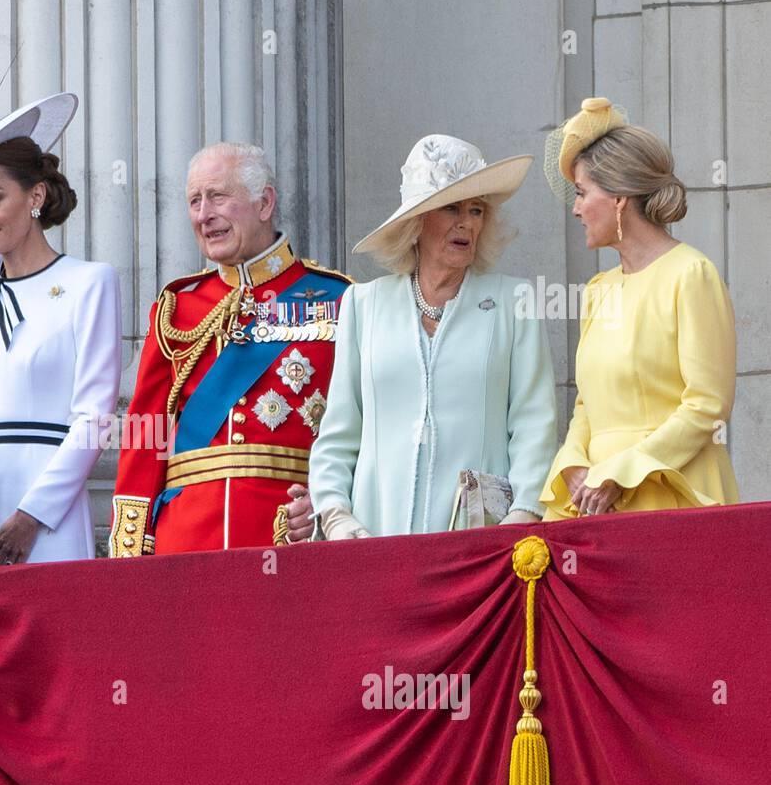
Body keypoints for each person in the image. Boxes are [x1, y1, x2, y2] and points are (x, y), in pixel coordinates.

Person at [304, 135, 556, 540]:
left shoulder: (514, 301)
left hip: (481, 544)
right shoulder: (363, 304)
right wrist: (336, 516)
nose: (467, 222)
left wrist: (523, 516)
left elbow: (534, 423)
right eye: (451, 207)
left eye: (476, 210)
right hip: (374, 539)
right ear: (417, 221)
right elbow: (339, 431)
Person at [110, 142, 352, 556]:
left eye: (218, 196)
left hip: (289, 536)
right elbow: (144, 436)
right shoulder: (175, 309)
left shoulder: (340, 300)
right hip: (184, 542)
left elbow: (366, 430)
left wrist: (331, 504)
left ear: (265, 203)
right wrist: (130, 553)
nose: (204, 215)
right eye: (194, 201)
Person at [0, 92, 120, 564]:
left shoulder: (89, 282)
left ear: (35, 197)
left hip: (50, 512)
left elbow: (94, 419)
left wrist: (32, 515)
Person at [540, 98, 738, 518]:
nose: (575, 208)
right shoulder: (598, 290)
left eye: (582, 193)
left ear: (619, 198)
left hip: (673, 497)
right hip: (596, 507)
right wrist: (575, 463)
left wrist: (623, 473)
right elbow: (586, 405)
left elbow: (707, 404)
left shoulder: (691, 274)